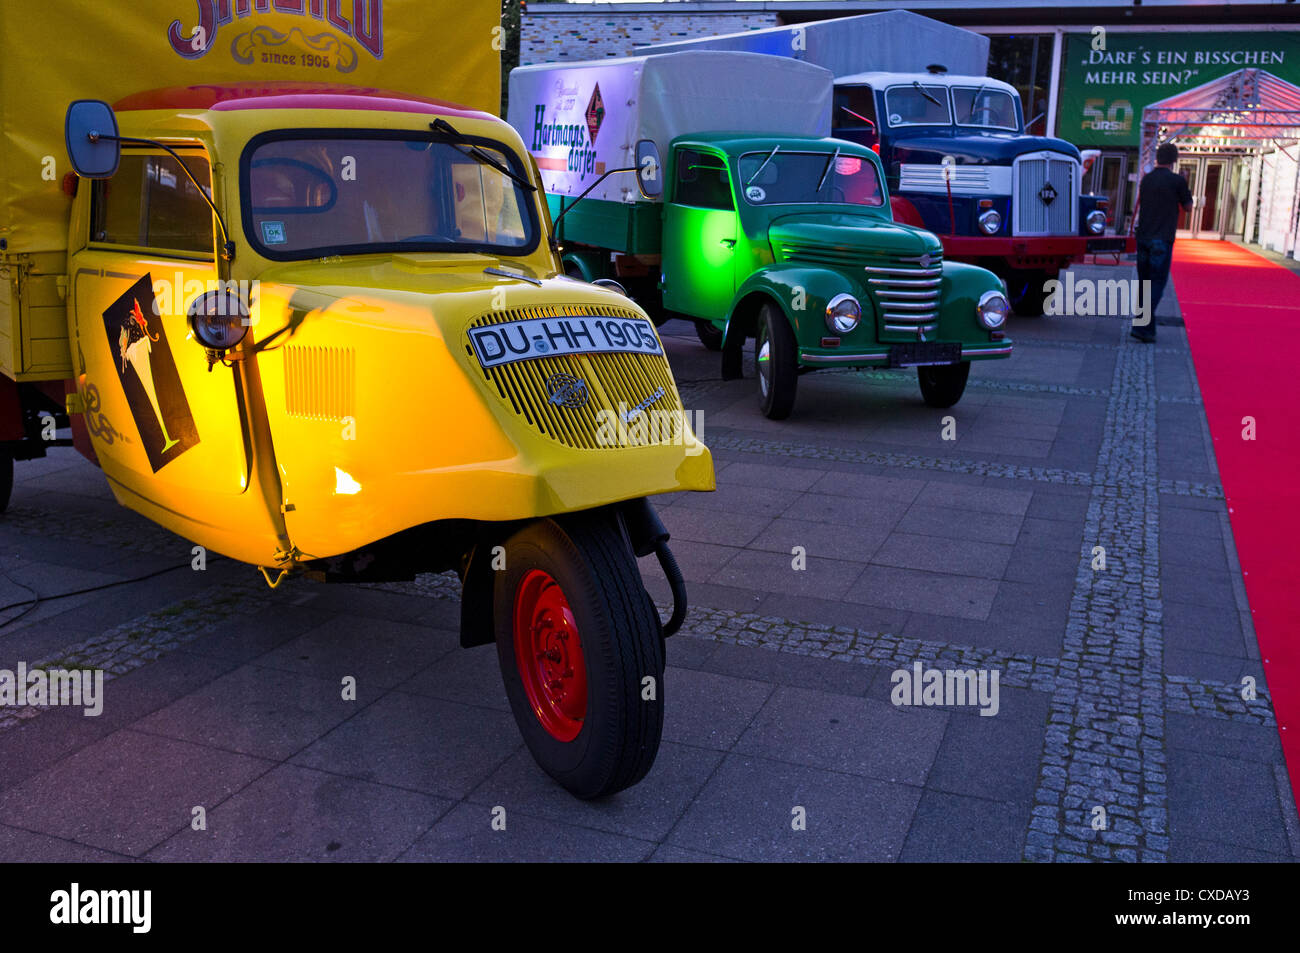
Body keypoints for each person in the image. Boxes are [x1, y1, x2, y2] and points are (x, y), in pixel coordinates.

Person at [1130, 142, 1193, 342]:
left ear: (1158, 157)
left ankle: (1143, 327)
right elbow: (1189, 207)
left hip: (1144, 237)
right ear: (1174, 160)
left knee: (1144, 282)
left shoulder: (1146, 180)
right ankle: (1143, 326)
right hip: (1162, 239)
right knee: (1157, 282)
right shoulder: (1177, 181)